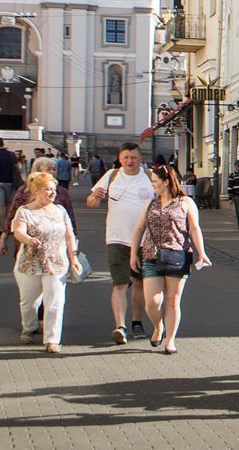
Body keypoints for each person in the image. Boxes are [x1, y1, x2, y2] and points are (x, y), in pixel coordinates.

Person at [131, 162, 209, 355]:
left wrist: (202, 252)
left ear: (166, 182)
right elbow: (139, 229)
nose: (153, 185)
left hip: (178, 255)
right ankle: (158, 326)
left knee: (173, 301)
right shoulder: (150, 203)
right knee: (152, 302)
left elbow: (194, 229)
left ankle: (170, 340)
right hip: (151, 255)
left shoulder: (186, 202)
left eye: (155, 181)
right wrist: (133, 253)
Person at [86, 141, 156, 345]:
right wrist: (95, 196)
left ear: (140, 158)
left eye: (133, 157)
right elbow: (91, 203)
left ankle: (137, 321)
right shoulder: (111, 176)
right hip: (116, 238)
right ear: (119, 158)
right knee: (119, 283)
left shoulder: (150, 177)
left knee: (139, 283)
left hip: (145, 240)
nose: (130, 161)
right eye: (126, 157)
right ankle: (120, 327)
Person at [9, 168, 78, 353]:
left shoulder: (60, 210)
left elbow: (69, 235)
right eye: (48, 189)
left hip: (56, 262)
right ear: (37, 191)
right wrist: (28, 239)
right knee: (29, 301)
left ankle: (52, 339)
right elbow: (18, 231)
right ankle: (29, 327)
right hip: (29, 263)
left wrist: (74, 257)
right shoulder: (25, 211)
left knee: (55, 300)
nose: (53, 192)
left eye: (54, 189)